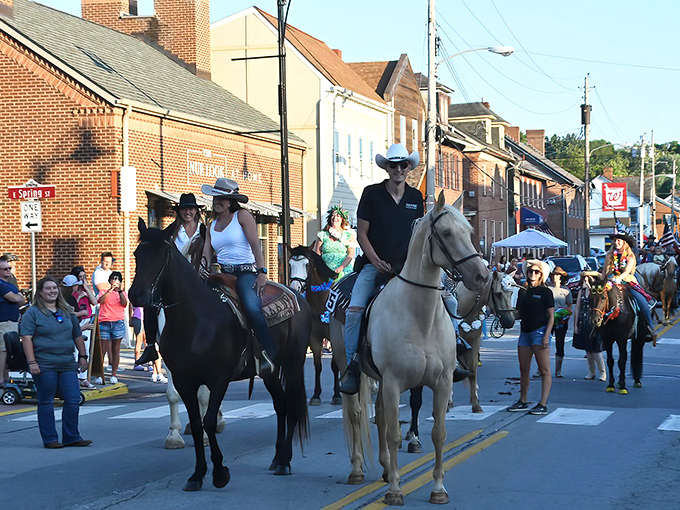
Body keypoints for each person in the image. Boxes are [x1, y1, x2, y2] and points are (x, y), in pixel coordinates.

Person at [338, 143, 424, 395]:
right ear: (386, 167)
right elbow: (361, 233)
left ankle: (452, 350)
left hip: (407, 267)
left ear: (409, 167)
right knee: (354, 310)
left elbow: (418, 235)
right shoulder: (371, 194)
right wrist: (374, 260)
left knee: (445, 299)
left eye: (403, 164)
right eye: (393, 165)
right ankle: (352, 364)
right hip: (375, 265)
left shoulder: (415, 197)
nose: (398, 169)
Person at [200, 177, 277, 377]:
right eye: (216, 198)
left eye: (223, 198)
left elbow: (255, 244)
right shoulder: (211, 224)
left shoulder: (242, 216)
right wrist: (202, 269)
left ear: (231, 201)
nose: (219, 202)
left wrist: (261, 272)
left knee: (251, 306)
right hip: (222, 272)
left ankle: (268, 352)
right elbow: (207, 253)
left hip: (245, 271)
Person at [19, 277, 92, 448]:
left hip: (67, 363)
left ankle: (71, 436)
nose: (52, 291)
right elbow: (26, 338)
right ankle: (50, 438)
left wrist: (83, 356)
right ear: (40, 292)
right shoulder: (33, 312)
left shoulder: (66, 311)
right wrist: (32, 362)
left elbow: (77, 335)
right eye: (48, 288)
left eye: (54, 288)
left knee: (73, 399)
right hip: (44, 364)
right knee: (46, 401)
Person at [136, 193, 206, 366]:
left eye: (191, 208)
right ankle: (151, 346)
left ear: (196, 211)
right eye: (184, 209)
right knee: (151, 303)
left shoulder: (205, 232)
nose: (187, 212)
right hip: (175, 279)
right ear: (179, 211)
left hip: (200, 277)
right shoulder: (170, 232)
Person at [507, 259, 554, 415]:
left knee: (544, 369)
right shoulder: (523, 291)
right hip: (525, 333)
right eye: (530, 271)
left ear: (541, 275)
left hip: (539, 332)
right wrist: (507, 313)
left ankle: (543, 403)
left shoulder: (546, 292)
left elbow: (551, 315)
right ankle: (523, 400)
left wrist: (547, 335)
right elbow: (519, 313)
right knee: (524, 368)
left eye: (536, 272)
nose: (533, 274)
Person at [601, 232, 656, 343]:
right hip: (610, 281)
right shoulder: (609, 255)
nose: (616, 243)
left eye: (619, 241)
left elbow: (627, 271)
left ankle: (649, 327)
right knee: (597, 299)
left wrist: (619, 278)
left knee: (640, 300)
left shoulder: (630, 256)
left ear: (624, 243)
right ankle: (594, 332)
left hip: (627, 282)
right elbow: (605, 271)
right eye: (615, 241)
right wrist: (602, 281)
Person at [63, 274, 97, 389]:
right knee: (73, 352)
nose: (77, 287)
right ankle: (73, 378)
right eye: (75, 285)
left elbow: (95, 302)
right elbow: (67, 315)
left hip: (81, 324)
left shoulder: (79, 295)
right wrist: (81, 314)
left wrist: (86, 288)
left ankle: (82, 378)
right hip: (76, 325)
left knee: (84, 349)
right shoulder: (66, 298)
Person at [572, 272, 607, 381]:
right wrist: (576, 325)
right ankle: (591, 372)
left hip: (594, 322)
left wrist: (590, 287)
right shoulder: (581, 292)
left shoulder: (596, 291)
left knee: (596, 350)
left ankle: (603, 372)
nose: (586, 280)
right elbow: (577, 309)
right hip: (583, 321)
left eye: (589, 278)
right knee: (588, 350)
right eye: (584, 278)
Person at [97, 271, 128, 384]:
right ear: (110, 281)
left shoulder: (122, 293)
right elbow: (101, 300)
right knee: (103, 350)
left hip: (117, 323)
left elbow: (124, 303)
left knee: (116, 349)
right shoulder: (103, 291)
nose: (115, 281)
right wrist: (110, 290)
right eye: (113, 279)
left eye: (118, 279)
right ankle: (99, 373)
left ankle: (114, 374)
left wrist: (119, 291)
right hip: (104, 322)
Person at [0, 257, 26, 387]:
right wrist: (18, 297)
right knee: (3, 349)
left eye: (9, 268)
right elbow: (14, 297)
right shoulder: (1, 285)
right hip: (4, 321)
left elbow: (22, 300)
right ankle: (1, 379)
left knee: (10, 350)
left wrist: (19, 298)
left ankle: (6, 376)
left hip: (13, 321)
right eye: (5, 269)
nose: (9, 271)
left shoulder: (10, 284)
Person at [313, 205, 357, 279]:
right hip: (325, 270)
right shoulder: (323, 234)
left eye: (338, 216)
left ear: (342, 219)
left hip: (343, 270)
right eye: (333, 216)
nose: (335, 218)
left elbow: (351, 254)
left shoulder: (349, 234)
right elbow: (317, 253)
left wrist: (341, 267)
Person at [549, 267, 572, 378]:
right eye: (553, 275)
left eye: (557, 275)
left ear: (561, 277)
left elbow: (569, 305)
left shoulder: (566, 291)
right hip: (548, 319)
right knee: (544, 344)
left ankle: (558, 369)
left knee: (560, 344)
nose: (555, 277)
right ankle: (541, 368)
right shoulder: (548, 289)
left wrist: (565, 314)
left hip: (560, 320)